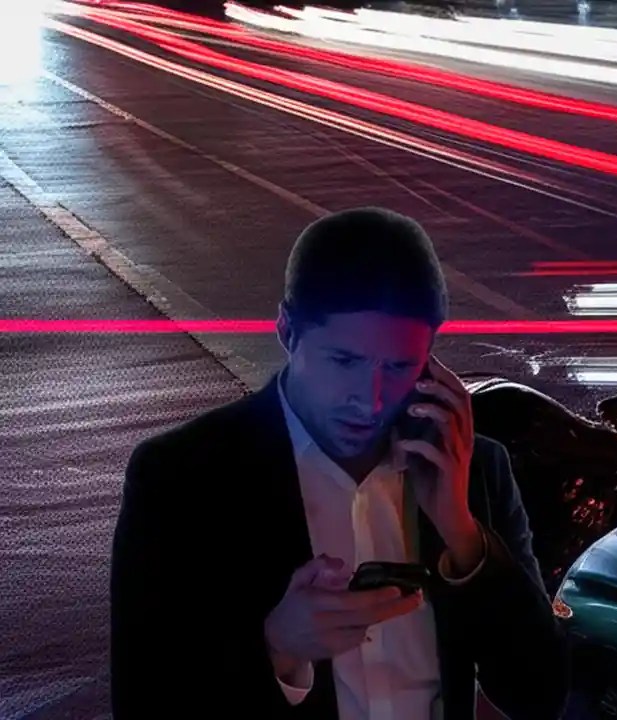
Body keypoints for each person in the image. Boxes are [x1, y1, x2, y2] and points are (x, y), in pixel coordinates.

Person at [110, 207, 569, 720]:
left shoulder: (474, 468)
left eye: (398, 366)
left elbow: (539, 694)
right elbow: (143, 700)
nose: (369, 399)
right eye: (343, 361)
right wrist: (279, 649)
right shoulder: (183, 477)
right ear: (287, 331)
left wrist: (464, 537)